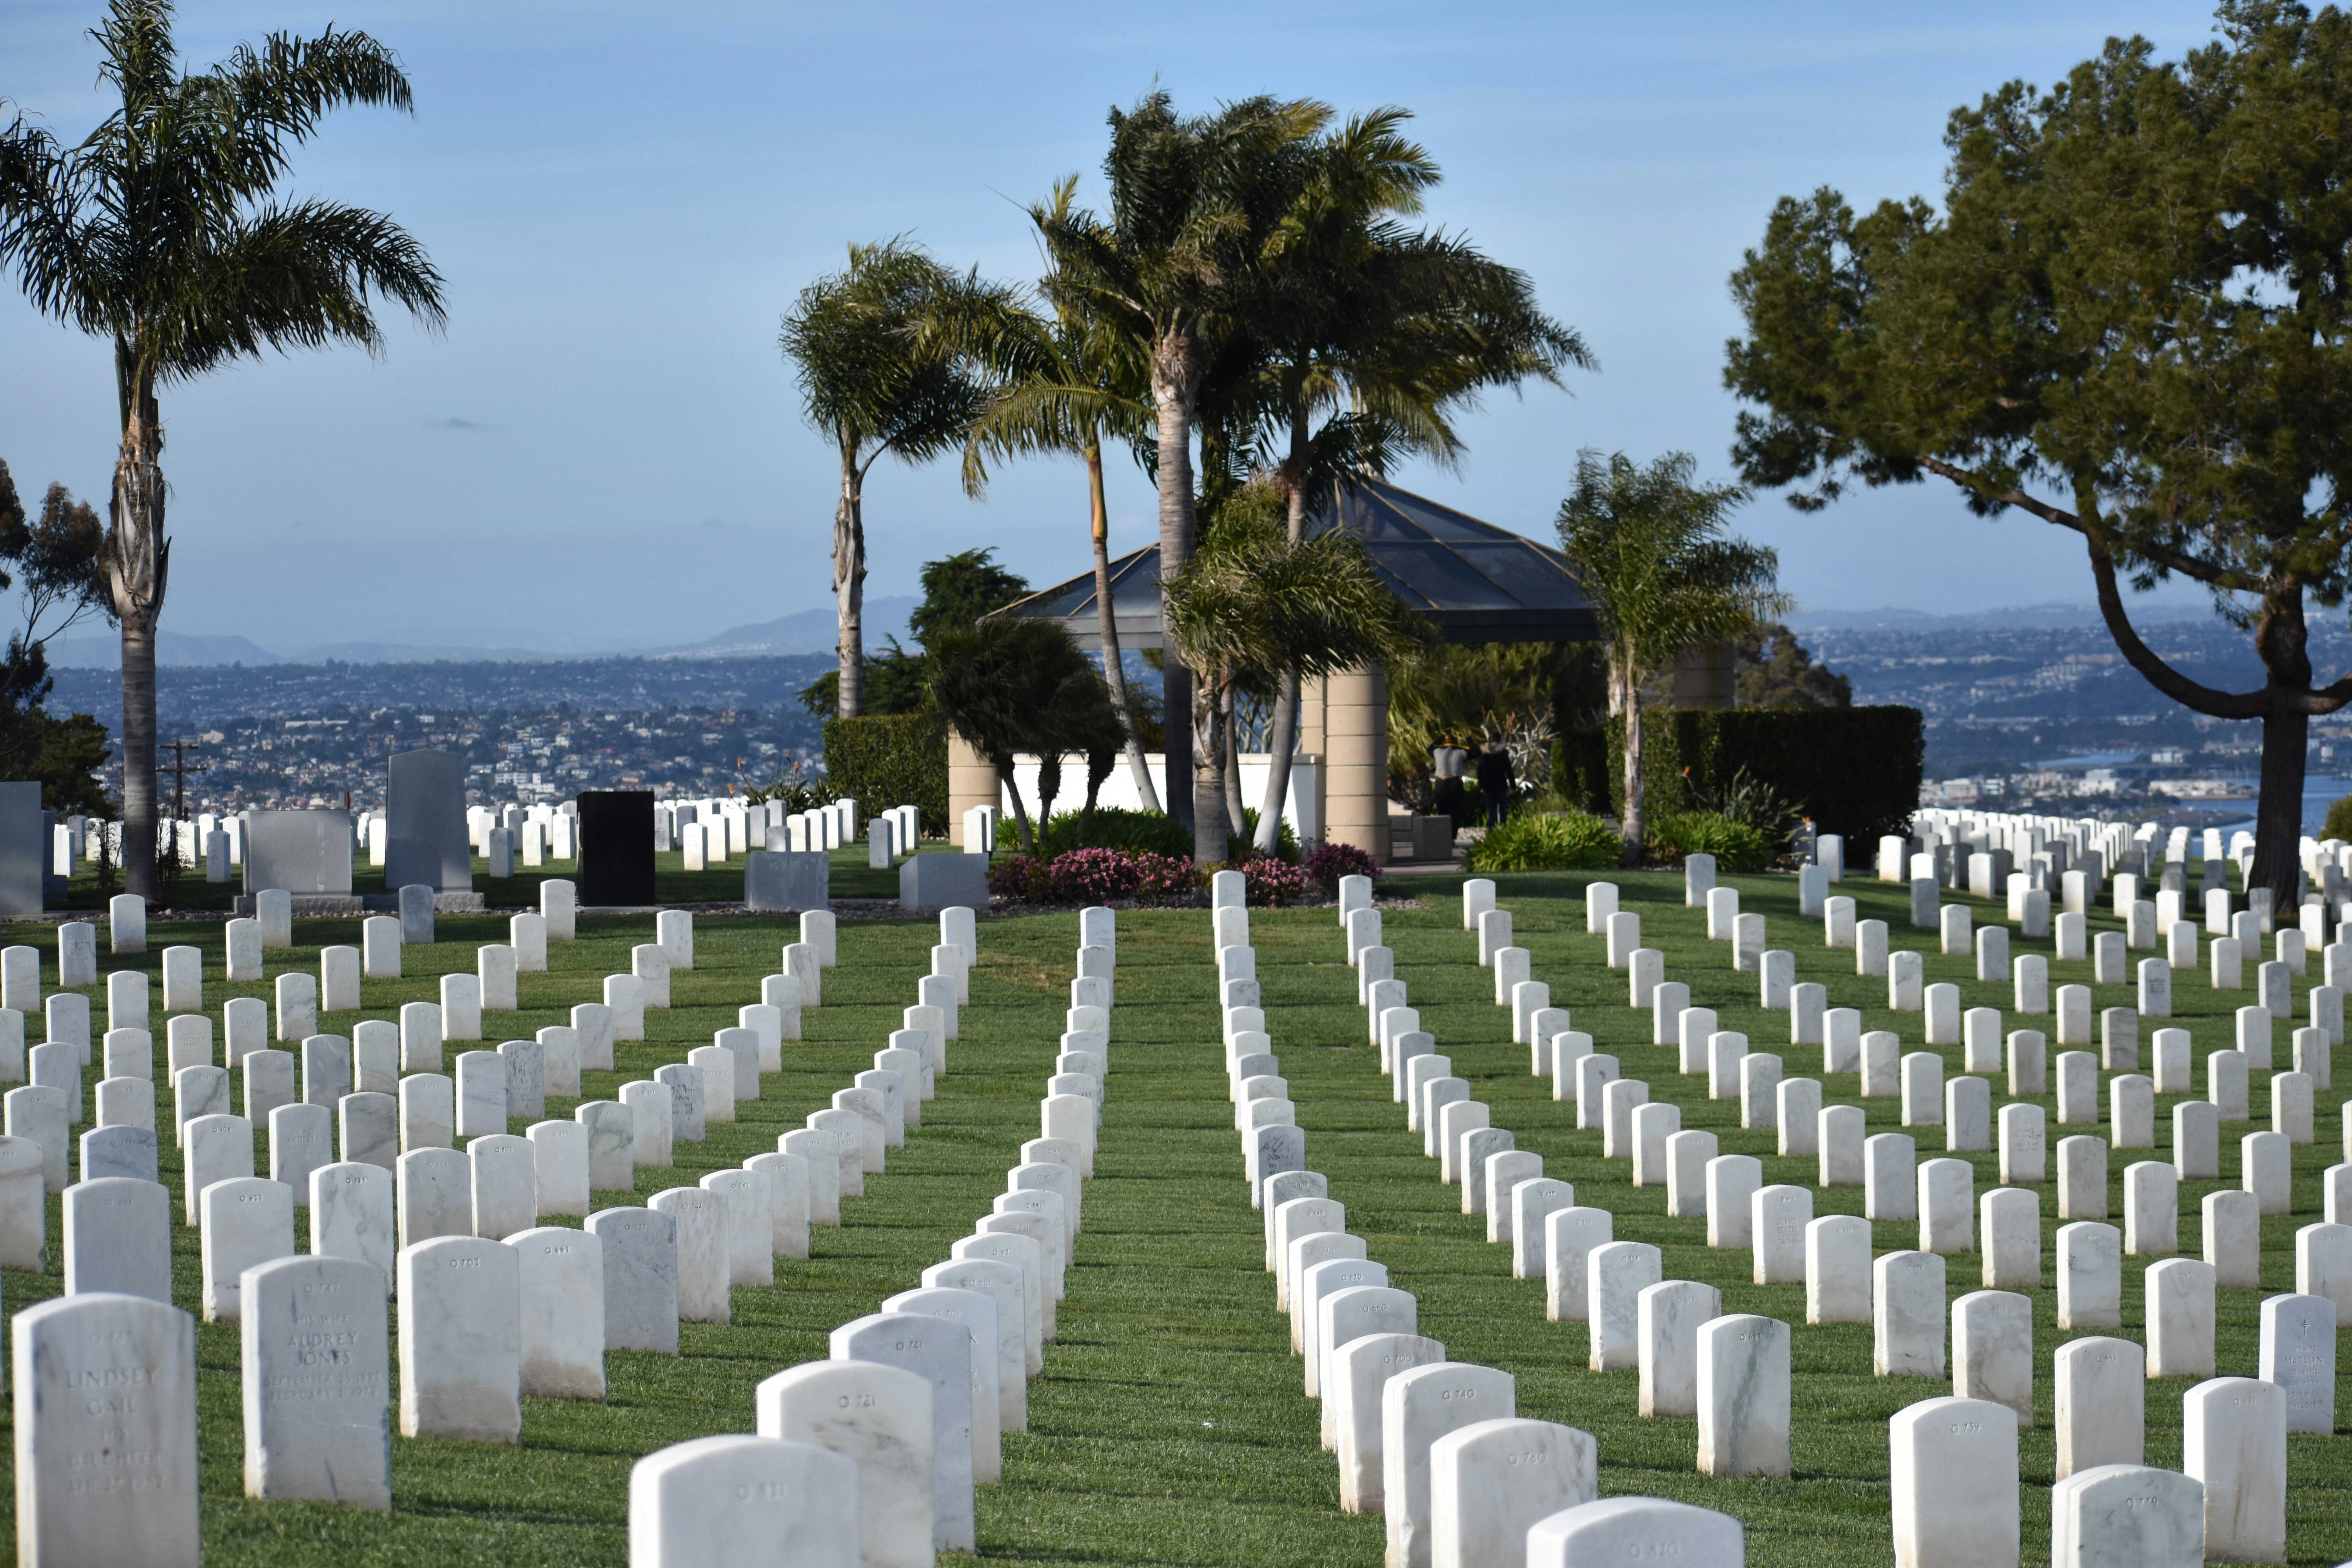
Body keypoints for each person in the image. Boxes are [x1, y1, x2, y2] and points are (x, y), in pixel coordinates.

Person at [1475, 743, 1514, 828]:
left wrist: (1481, 786)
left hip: (1488, 786)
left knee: (1492, 811)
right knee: (1503, 810)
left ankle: (1491, 832)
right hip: (1501, 785)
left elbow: (1479, 773)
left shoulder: (1483, 756)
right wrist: (1513, 786)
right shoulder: (1503, 755)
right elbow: (1509, 771)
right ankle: (1503, 830)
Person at [1431, 740, 1469, 826]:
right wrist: (1467, 742)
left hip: (1441, 783)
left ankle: (1444, 833)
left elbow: (1430, 749)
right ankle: (1453, 836)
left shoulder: (1437, 752)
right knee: (1455, 811)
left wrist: (1440, 739)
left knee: (1442, 812)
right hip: (1455, 783)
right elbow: (1475, 751)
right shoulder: (1461, 753)